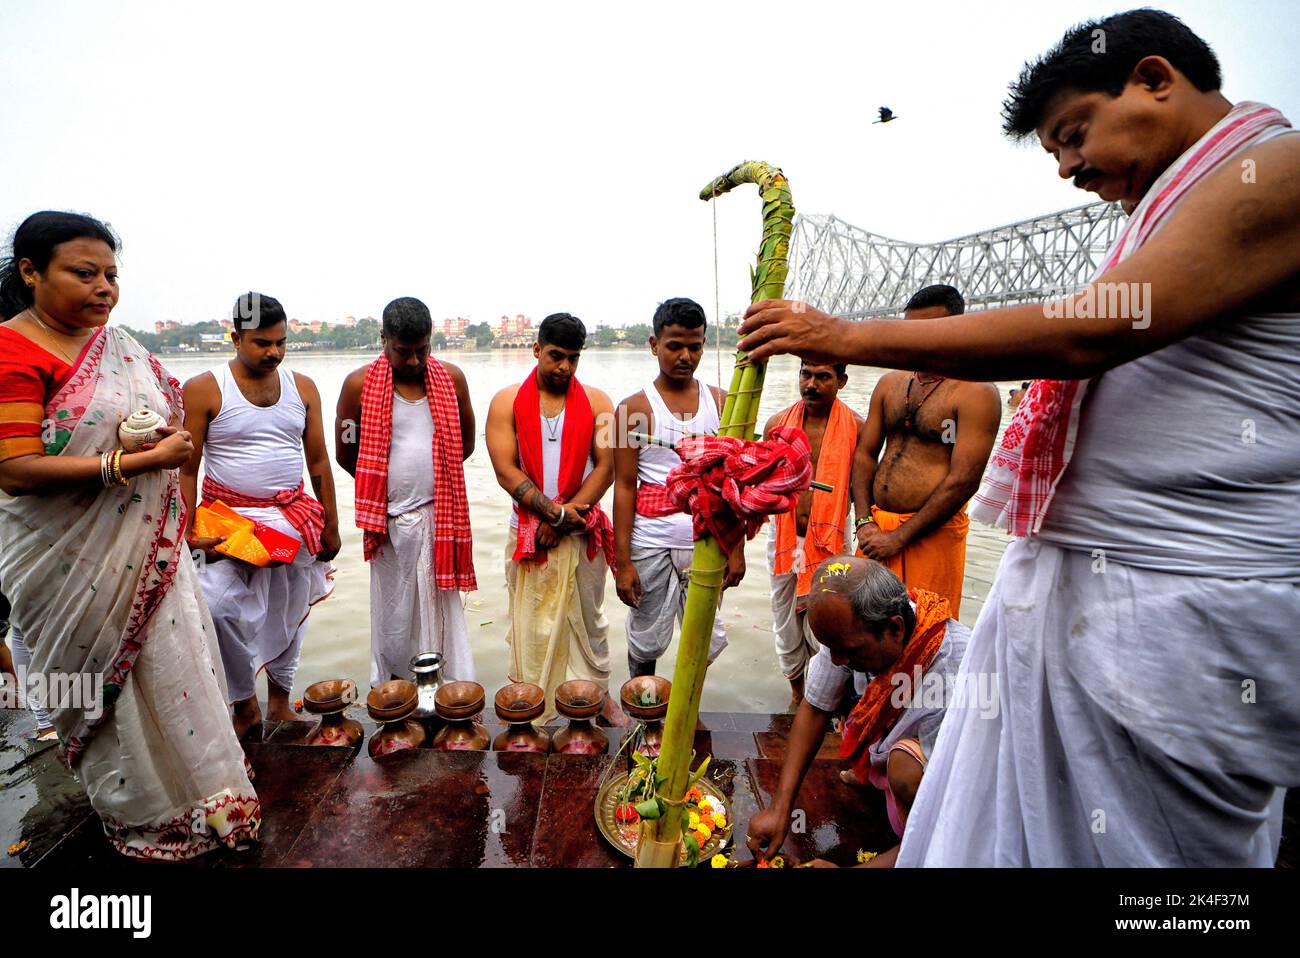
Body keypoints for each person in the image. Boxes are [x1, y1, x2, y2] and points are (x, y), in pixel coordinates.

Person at [738, 8, 1299, 866]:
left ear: (1154, 78)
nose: (1070, 168)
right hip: (1099, 603)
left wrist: (845, 335)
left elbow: (1090, 330)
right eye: (1055, 153)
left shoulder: (1278, 172)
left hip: (1187, 619)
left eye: (1074, 135)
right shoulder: (1166, 215)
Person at [0, 211, 258, 860]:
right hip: (62, 561)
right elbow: (15, 469)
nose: (104, 288)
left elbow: (166, 416)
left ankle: (215, 801)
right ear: (31, 272)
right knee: (100, 696)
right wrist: (132, 462)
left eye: (111, 275)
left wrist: (163, 442)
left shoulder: (118, 349)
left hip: (145, 555)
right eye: (84, 274)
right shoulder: (11, 350)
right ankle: (144, 818)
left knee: (178, 677)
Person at [181, 293, 340, 737]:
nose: (273, 352)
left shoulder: (302, 387)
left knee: (288, 610)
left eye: (280, 343)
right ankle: (243, 703)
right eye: (261, 343)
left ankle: (279, 703)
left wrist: (332, 522)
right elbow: (187, 467)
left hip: (294, 519)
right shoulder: (204, 387)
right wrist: (187, 527)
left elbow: (320, 461)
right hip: (228, 524)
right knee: (219, 608)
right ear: (235, 339)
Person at [745, 556, 970, 867]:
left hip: (952, 796)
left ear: (894, 628)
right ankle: (877, 776)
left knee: (905, 770)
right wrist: (779, 808)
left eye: (849, 652)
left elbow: (950, 820)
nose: (837, 661)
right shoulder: (847, 632)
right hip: (894, 761)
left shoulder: (955, 675)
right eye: (831, 649)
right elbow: (815, 706)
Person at [486, 313, 620, 723]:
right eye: (556, 356)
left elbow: (606, 466)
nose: (564, 367)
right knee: (533, 624)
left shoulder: (599, 403)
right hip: (528, 532)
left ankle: (598, 694)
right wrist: (552, 511)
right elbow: (506, 471)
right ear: (536, 350)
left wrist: (564, 520)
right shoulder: (506, 401)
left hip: (580, 530)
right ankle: (532, 703)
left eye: (573, 359)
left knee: (590, 621)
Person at [336, 297, 476, 687]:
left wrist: (435, 488)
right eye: (403, 351)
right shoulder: (358, 386)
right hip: (388, 523)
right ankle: (397, 693)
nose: (414, 361)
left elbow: (465, 445)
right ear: (383, 339)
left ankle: (449, 691)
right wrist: (380, 490)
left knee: (440, 614)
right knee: (393, 617)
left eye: (422, 350)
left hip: (438, 519)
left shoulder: (452, 380)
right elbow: (347, 452)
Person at [851, 285, 1000, 619]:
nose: (916, 339)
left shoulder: (976, 392)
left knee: (924, 633)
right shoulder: (890, 383)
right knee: (864, 625)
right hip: (876, 530)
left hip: (929, 538)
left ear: (956, 330)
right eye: (910, 330)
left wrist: (900, 538)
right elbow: (865, 454)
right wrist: (864, 522)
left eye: (928, 330)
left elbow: (964, 480)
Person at [612, 298, 742, 679]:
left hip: (707, 540)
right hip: (650, 540)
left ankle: (688, 719)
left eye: (695, 346)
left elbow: (733, 484)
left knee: (701, 642)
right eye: (674, 346)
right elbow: (624, 488)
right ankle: (642, 714)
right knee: (645, 638)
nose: (686, 356)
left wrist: (737, 550)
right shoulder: (632, 409)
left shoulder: (722, 402)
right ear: (654, 345)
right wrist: (623, 563)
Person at [763, 360, 865, 707]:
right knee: (785, 621)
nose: (812, 384)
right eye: (806, 374)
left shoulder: (858, 428)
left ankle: (827, 697)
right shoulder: (776, 424)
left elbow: (863, 487)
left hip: (833, 541)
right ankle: (797, 695)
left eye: (823, 377)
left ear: (842, 381)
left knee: (833, 620)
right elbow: (764, 487)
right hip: (784, 539)